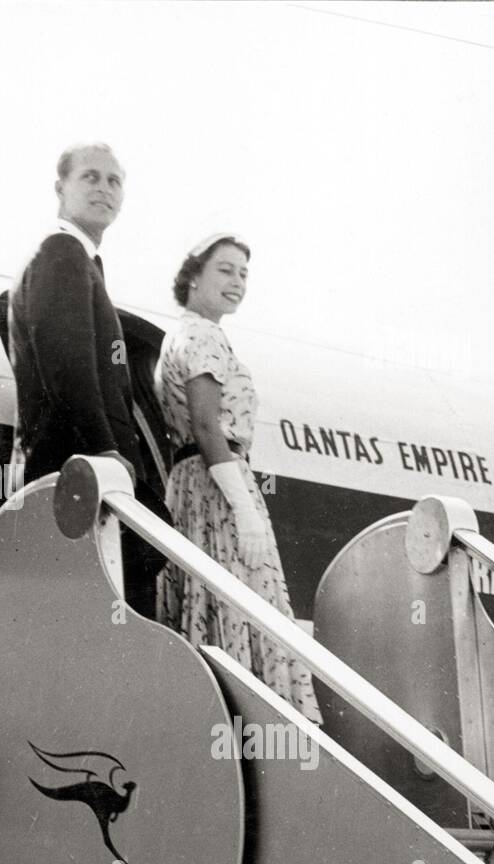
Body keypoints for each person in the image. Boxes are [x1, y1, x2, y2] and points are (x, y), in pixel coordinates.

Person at [154, 233, 322, 723]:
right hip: (217, 486)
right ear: (193, 277)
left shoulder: (185, 334)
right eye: (225, 270)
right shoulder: (201, 334)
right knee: (245, 609)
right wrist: (244, 508)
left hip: (195, 484)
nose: (238, 282)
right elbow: (208, 426)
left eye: (244, 274)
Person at [7, 142, 169, 615]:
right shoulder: (60, 252)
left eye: (114, 181)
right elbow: (68, 370)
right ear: (60, 188)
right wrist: (107, 455)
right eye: (90, 177)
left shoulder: (79, 261)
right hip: (85, 476)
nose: (104, 188)